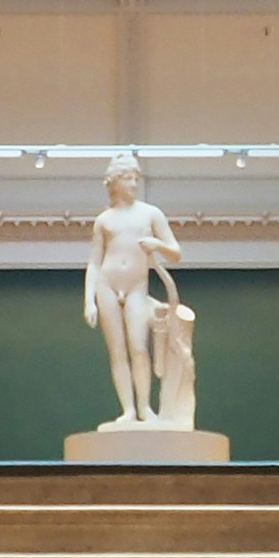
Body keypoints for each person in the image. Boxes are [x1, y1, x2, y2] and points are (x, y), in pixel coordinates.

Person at [82, 153, 182, 430]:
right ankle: (128, 410)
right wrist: (89, 300)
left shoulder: (151, 213)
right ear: (114, 182)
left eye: (136, 177)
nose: (133, 183)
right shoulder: (104, 220)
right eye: (128, 178)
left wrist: (155, 244)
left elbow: (176, 252)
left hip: (137, 287)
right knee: (117, 351)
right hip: (107, 285)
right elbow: (94, 262)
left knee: (139, 348)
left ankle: (144, 407)